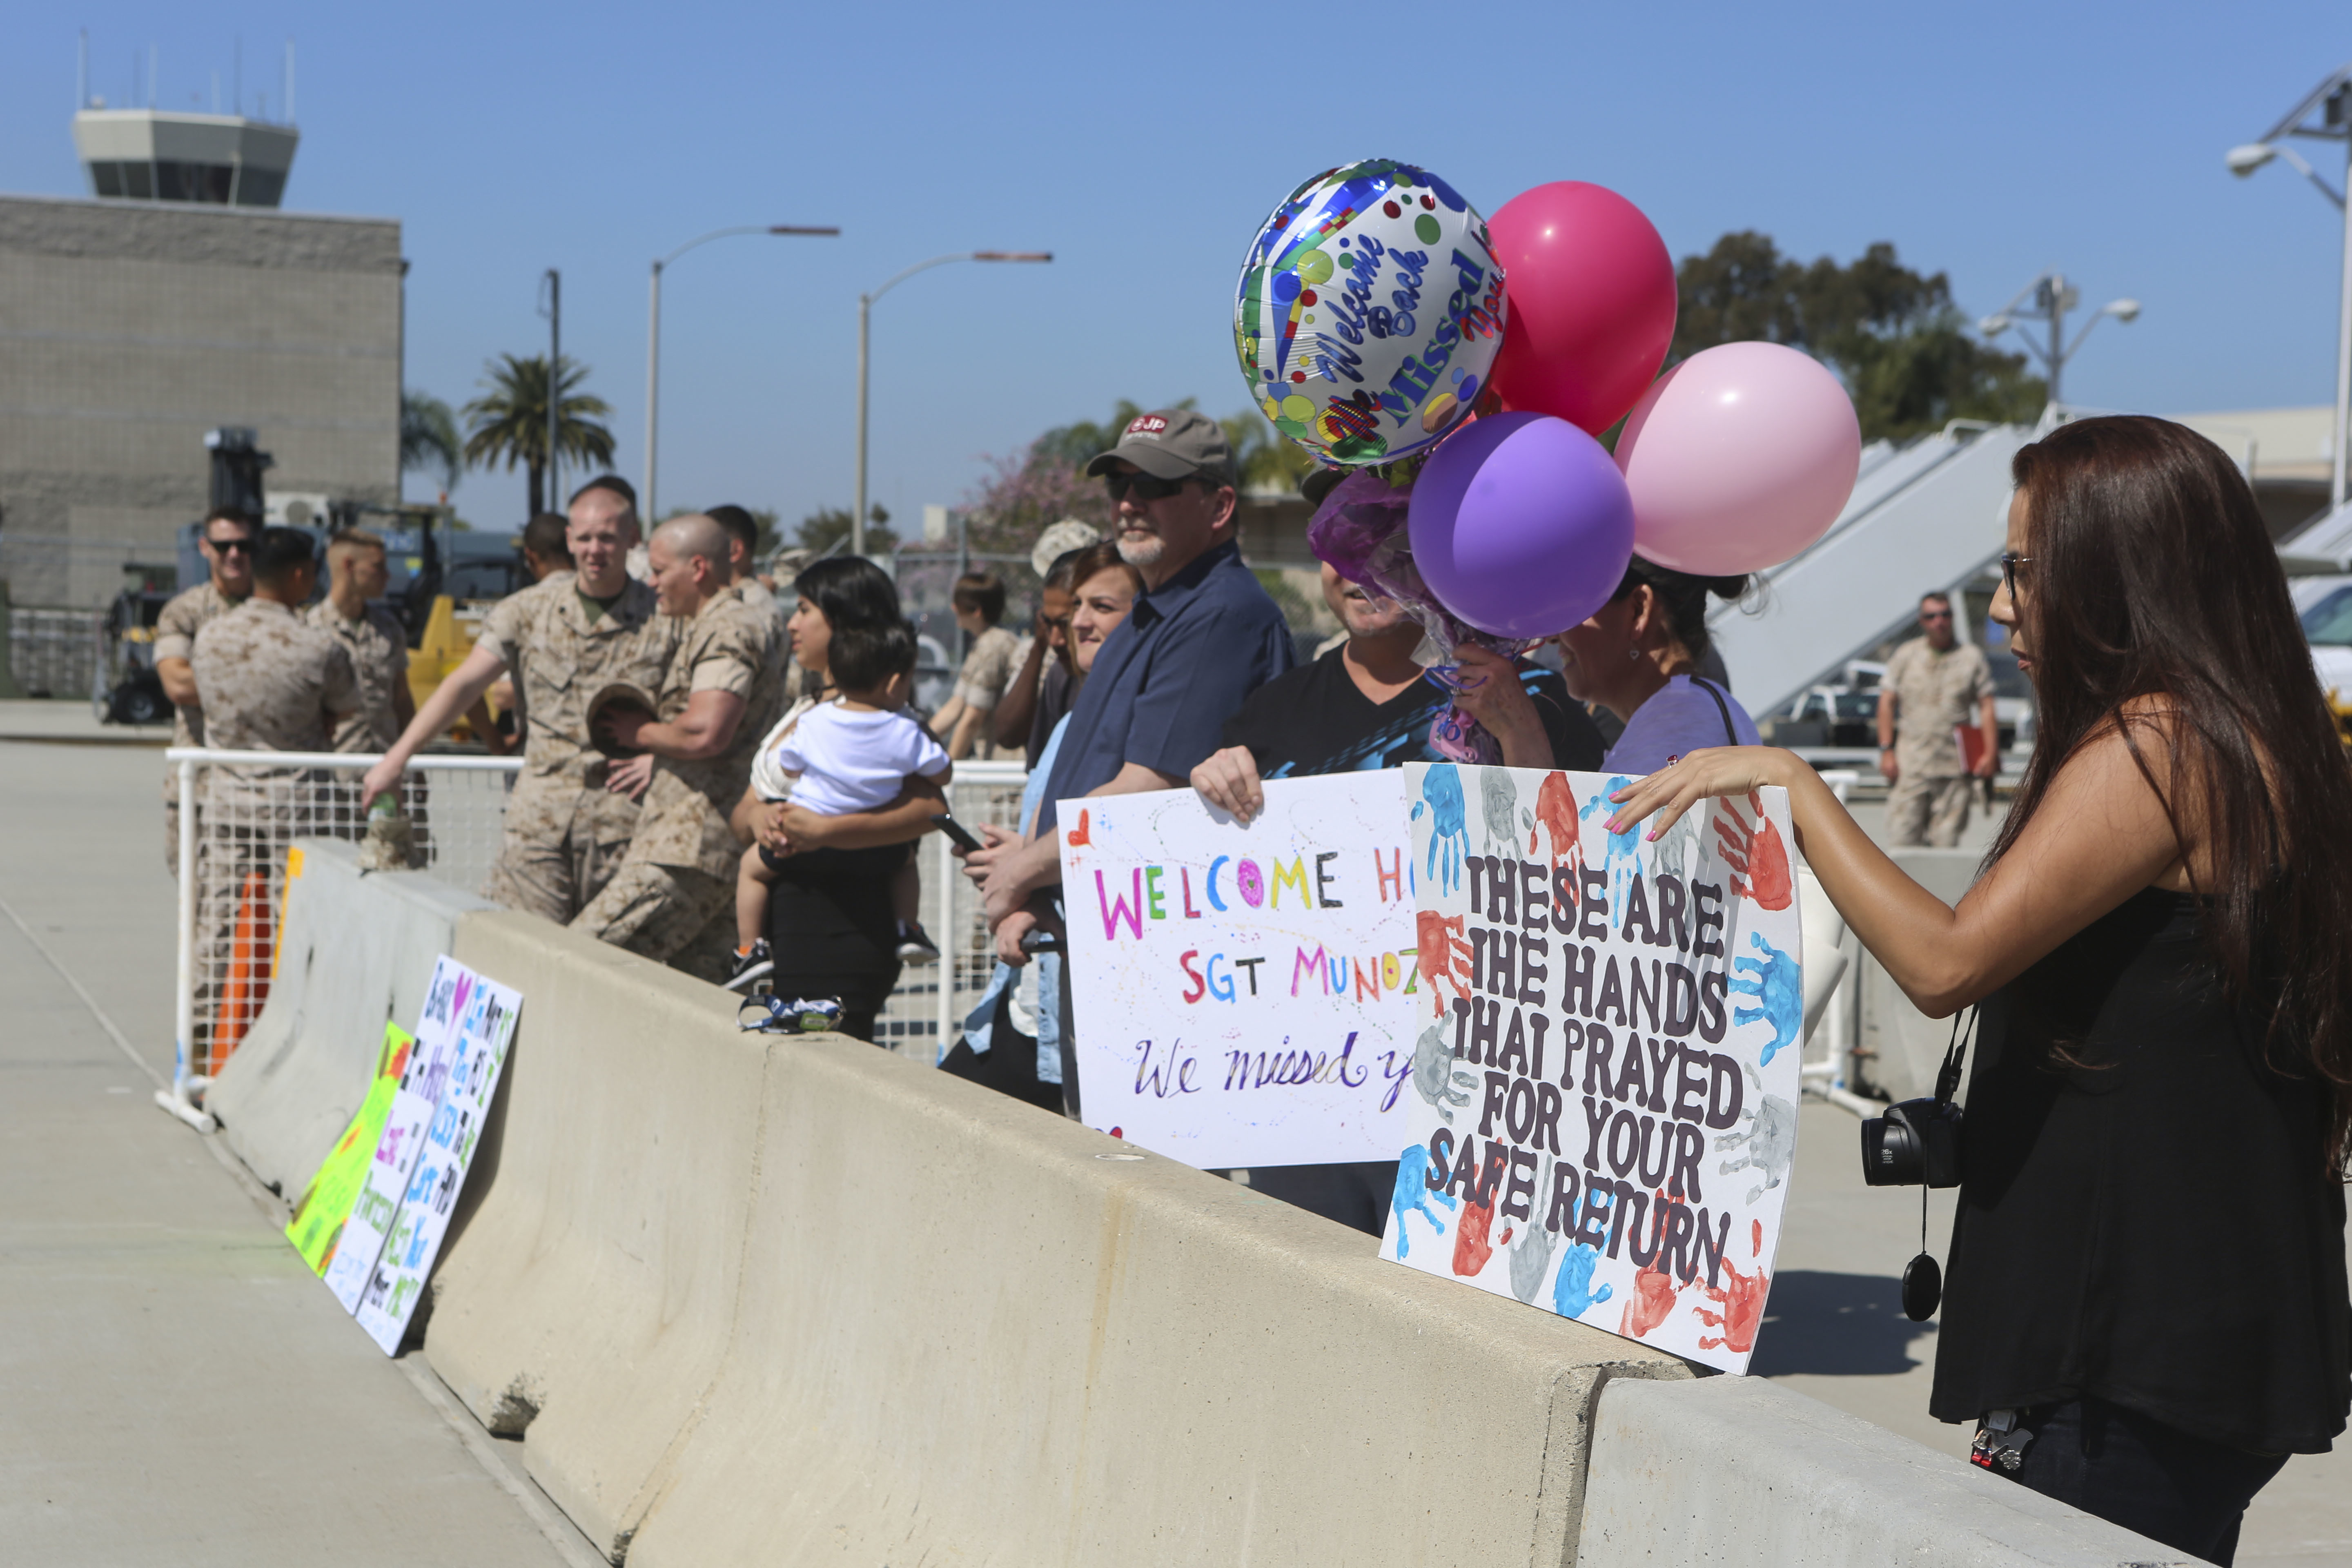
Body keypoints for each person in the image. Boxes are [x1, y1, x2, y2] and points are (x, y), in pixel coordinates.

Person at [1605, 416, 2352, 1565]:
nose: (2003, 608)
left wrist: (1800, 787)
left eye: (2021, 571)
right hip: (2186, 1328)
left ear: (2119, 572)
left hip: (2128, 1351)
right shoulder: (2241, 731)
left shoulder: (2165, 745)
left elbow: (1946, 962)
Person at [1187, 561, 1604, 1234]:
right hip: (1304, 1095)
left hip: (1474, 1094)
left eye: (1391, 548)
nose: (1360, 568)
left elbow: (1579, 868)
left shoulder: (1530, 694)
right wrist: (1208, 786)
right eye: (1339, 546)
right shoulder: (1272, 707)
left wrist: (1519, 730)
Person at [972, 409, 1296, 933]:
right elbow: (1078, 773)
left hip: (1165, 950)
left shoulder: (1220, 615)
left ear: (1220, 505)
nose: (1129, 502)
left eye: (1156, 483)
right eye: (1119, 484)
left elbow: (1147, 788)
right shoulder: (1148, 613)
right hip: (1100, 926)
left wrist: (1020, 875)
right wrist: (1033, 878)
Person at [360, 476, 679, 924]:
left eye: (607, 538)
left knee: (611, 972)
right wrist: (398, 758)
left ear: (632, 538)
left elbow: (694, 709)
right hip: (539, 829)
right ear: (569, 539)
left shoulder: (666, 617)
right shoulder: (527, 611)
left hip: (624, 826)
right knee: (528, 957)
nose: (595, 550)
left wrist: (662, 759)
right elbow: (464, 684)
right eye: (584, 538)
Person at [728, 558, 947, 1042]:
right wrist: (760, 818)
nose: (792, 622)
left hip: (841, 920)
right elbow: (745, 810)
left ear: (845, 621)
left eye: (805, 609)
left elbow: (931, 808)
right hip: (784, 922)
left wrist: (826, 831)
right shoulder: (808, 707)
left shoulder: (888, 719)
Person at [959, 543, 1144, 1110]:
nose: (1079, 624)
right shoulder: (1070, 722)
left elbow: (1136, 858)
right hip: (1030, 1001)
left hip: (1100, 1023)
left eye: (1103, 607)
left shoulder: (1152, 729)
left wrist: (1029, 881)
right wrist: (1026, 858)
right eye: (1072, 612)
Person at [571, 514, 785, 977]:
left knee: (577, 960)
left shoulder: (727, 627)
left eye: (660, 571)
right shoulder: (724, 622)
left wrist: (637, 734)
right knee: (696, 999)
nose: (652, 583)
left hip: (689, 849)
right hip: (702, 845)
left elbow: (705, 731)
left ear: (699, 569)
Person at [189, 527, 359, 1063]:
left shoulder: (210, 636)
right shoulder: (319, 645)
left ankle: (203, 1037)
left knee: (218, 920)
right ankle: (300, 1037)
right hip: (298, 807)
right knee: (300, 924)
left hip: (226, 801)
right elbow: (345, 713)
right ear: (301, 575)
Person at [1553, 556, 1758, 774]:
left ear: (1638, 610)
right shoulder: (1693, 705)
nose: (1552, 636)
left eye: (1574, 610)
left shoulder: (1670, 728)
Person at [154, 506, 257, 869]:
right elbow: (179, 684)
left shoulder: (277, 608)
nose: (234, 554)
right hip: (200, 782)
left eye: (243, 545)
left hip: (262, 781)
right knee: (194, 895)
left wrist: (217, 684)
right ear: (205, 547)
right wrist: (264, 683)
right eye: (224, 545)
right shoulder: (185, 612)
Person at [1878, 591, 2000, 847]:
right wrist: (1886, 750)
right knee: (1902, 842)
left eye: (1945, 614)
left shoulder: (1971, 657)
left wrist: (1990, 753)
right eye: (1931, 616)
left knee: (1945, 845)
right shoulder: (1906, 655)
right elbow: (1887, 702)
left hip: (1953, 769)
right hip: (1911, 766)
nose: (1939, 621)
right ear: (1922, 621)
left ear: (1953, 617)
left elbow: (1986, 706)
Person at [308, 530, 414, 755]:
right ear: (349, 566)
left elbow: (402, 699)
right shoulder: (312, 629)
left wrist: (413, 759)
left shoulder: (388, 627)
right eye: (378, 567)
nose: (387, 576)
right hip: (336, 766)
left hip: (385, 764)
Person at [991, 551, 1083, 767]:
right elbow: (1008, 735)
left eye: (1065, 624)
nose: (1056, 640)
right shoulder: (1060, 674)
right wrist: (1039, 648)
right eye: (1048, 623)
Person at [927, 571, 1023, 761]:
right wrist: (918, 741)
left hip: (1001, 764)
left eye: (959, 604)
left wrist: (947, 771)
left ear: (976, 611)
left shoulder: (994, 646)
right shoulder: (983, 643)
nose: (953, 608)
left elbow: (972, 719)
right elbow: (956, 706)